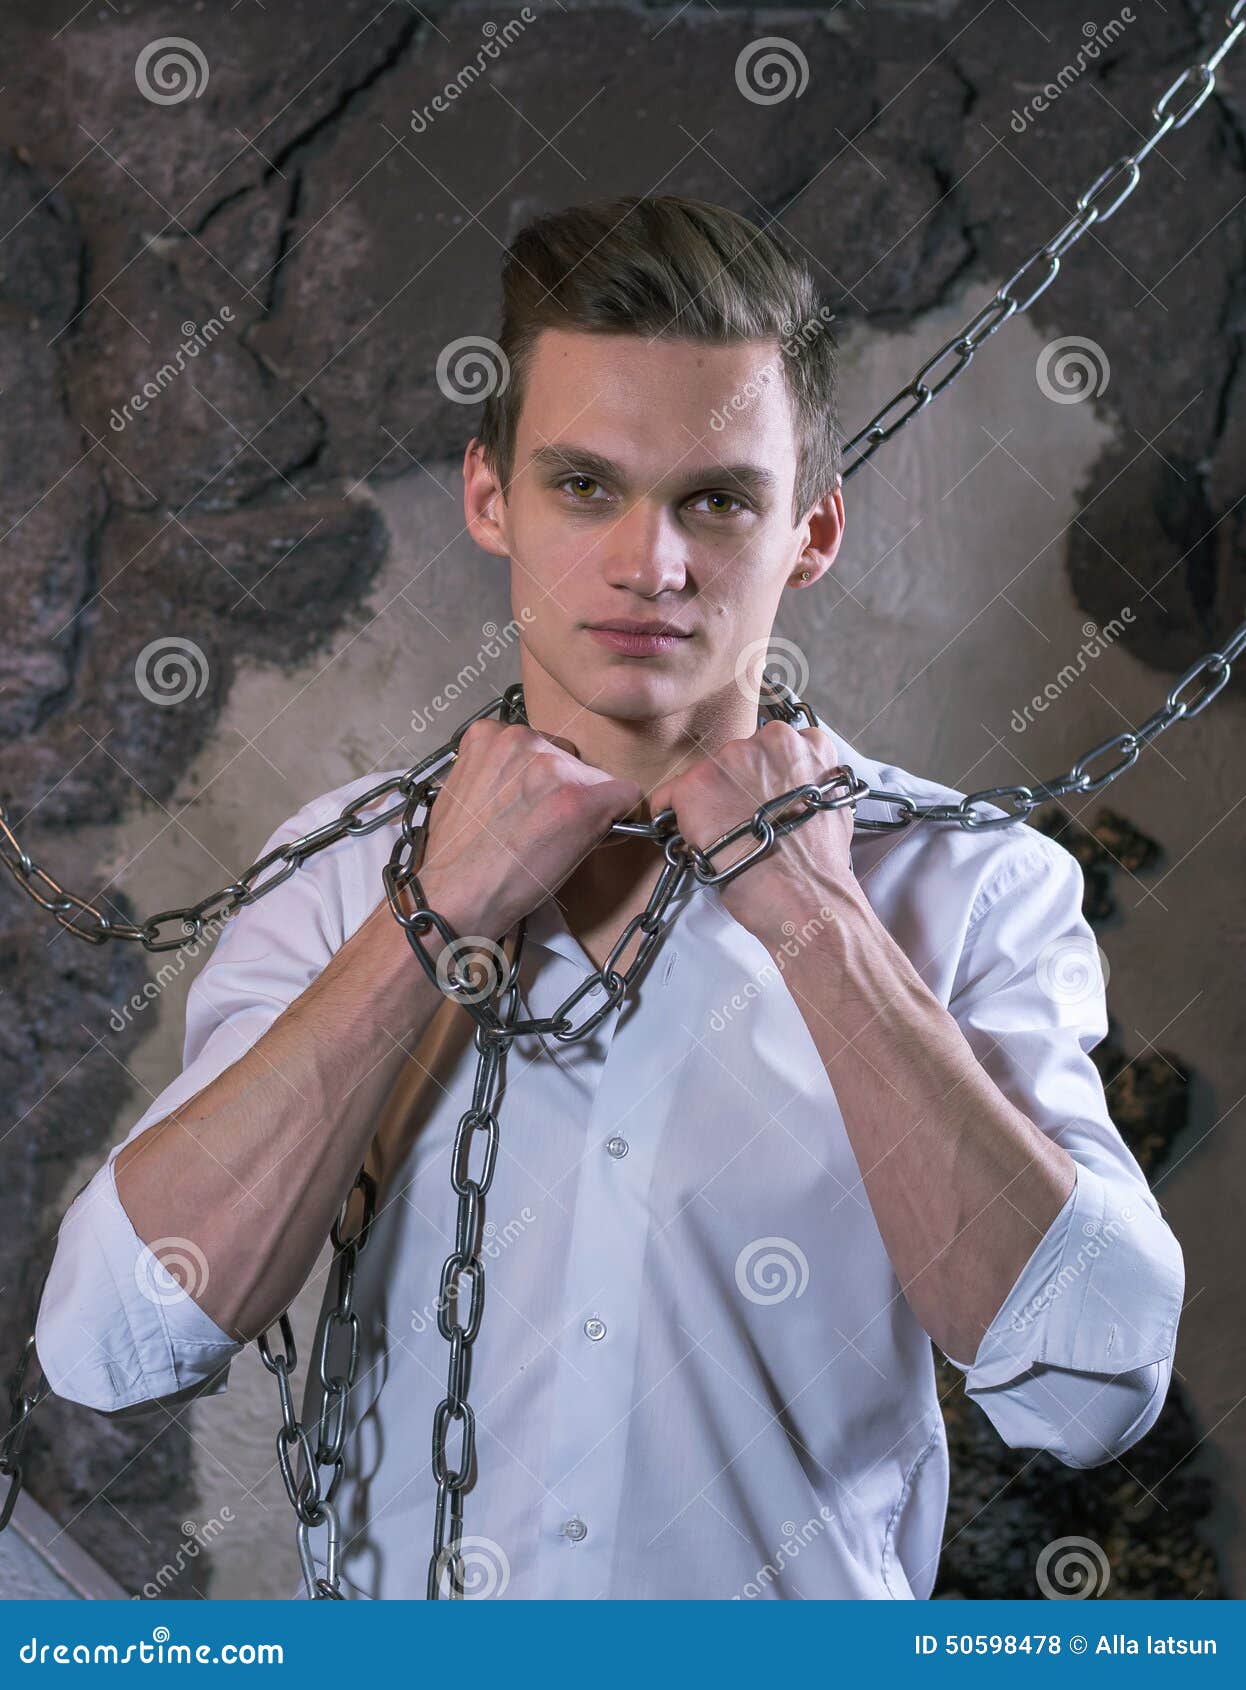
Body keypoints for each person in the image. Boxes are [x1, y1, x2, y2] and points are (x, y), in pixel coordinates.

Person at [34, 195, 1184, 1601]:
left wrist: (819, 924)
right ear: (490, 499)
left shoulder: (970, 887)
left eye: (718, 499)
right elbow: (109, 1345)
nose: (651, 564)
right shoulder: (344, 868)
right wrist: (431, 914)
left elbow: (1087, 1386)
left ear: (812, 529)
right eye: (584, 485)